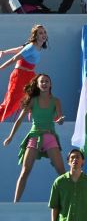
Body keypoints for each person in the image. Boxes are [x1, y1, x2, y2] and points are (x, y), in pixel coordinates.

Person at [4, 73, 65, 203]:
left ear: (50, 84)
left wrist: (60, 121)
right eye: (41, 81)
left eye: (47, 81)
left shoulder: (56, 101)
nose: (44, 83)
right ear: (37, 84)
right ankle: (15, 203)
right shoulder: (33, 100)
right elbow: (19, 120)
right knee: (25, 170)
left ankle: (69, 200)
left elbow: (58, 118)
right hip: (35, 135)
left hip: (49, 136)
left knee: (62, 171)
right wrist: (10, 136)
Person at [0, 24, 48, 122]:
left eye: (44, 32)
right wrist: (1, 68)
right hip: (19, 76)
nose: (43, 34)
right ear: (36, 36)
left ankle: (38, 118)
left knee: (37, 97)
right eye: (40, 33)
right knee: (10, 105)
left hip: (30, 76)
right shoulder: (31, 47)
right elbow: (14, 58)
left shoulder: (36, 46)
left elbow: (19, 49)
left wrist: (4, 52)